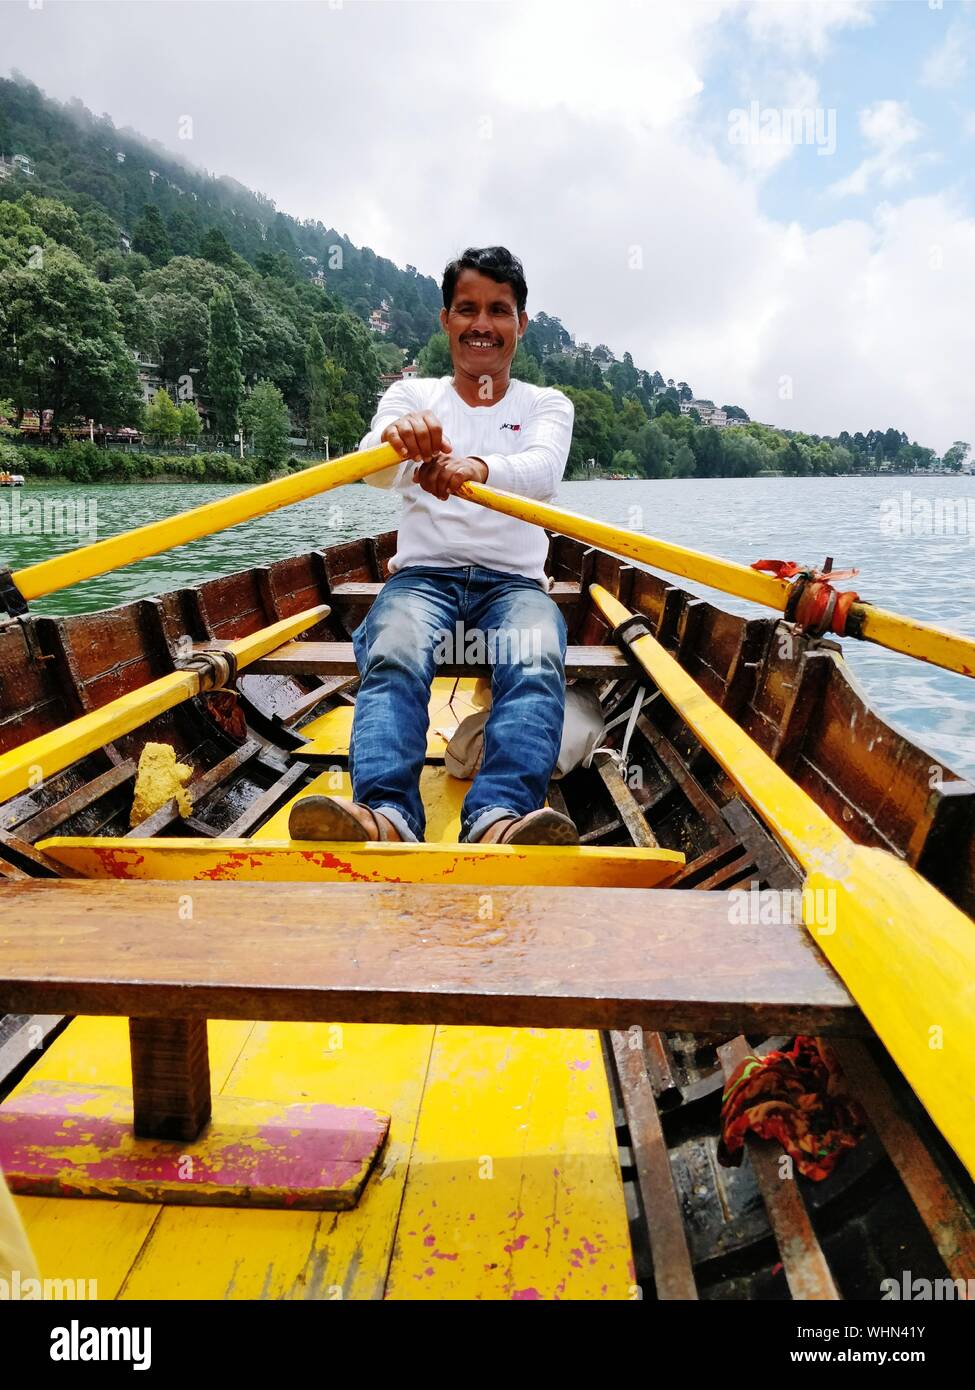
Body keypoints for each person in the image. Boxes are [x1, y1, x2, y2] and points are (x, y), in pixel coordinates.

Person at [289, 245, 578, 846]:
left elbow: (543, 471)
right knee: (393, 645)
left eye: (499, 310)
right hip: (423, 577)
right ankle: (388, 816)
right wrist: (397, 446)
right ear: (445, 319)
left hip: (515, 583)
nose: (482, 324)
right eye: (467, 308)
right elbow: (372, 471)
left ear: (520, 324)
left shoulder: (547, 404)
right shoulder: (411, 397)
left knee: (535, 655)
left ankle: (498, 818)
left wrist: (474, 468)